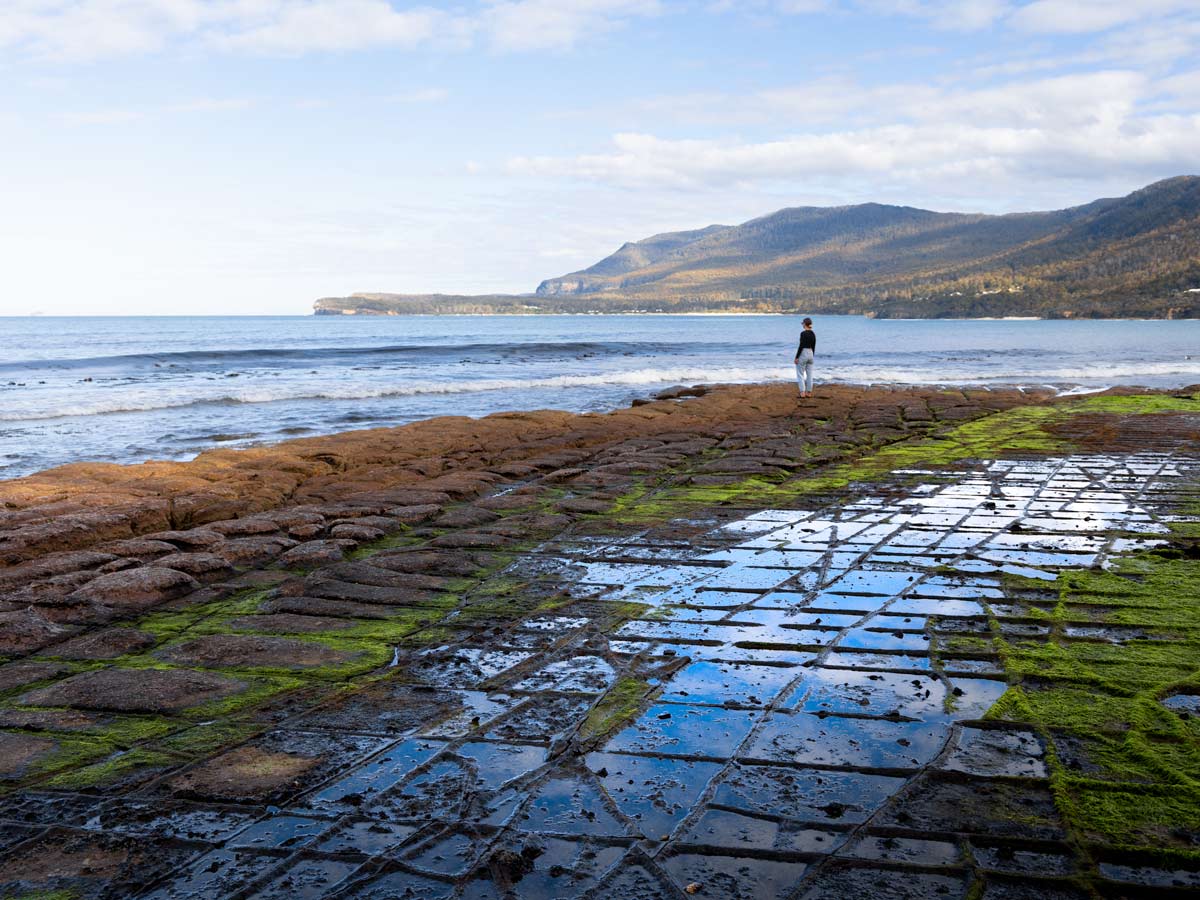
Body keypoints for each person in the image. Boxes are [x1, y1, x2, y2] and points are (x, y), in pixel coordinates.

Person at [793, 317, 816, 398]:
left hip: (804, 352)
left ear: (805, 324)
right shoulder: (813, 333)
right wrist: (812, 355)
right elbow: (813, 346)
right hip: (811, 353)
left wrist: (796, 357)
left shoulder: (803, 333)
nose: (802, 324)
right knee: (810, 374)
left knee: (800, 373)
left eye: (803, 323)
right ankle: (809, 393)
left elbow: (801, 346)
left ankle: (802, 392)